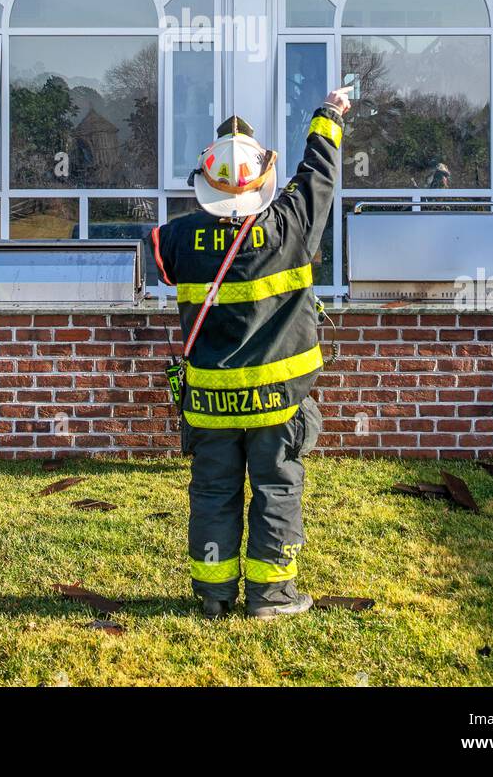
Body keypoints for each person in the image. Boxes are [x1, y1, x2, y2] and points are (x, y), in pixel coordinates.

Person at [151, 87, 352, 620]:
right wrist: (328, 114)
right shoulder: (291, 226)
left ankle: (214, 596)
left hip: (210, 402)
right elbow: (319, 173)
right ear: (263, 182)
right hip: (278, 400)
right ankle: (271, 596)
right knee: (276, 489)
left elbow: (170, 265)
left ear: (204, 182)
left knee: (213, 492)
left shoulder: (174, 239)